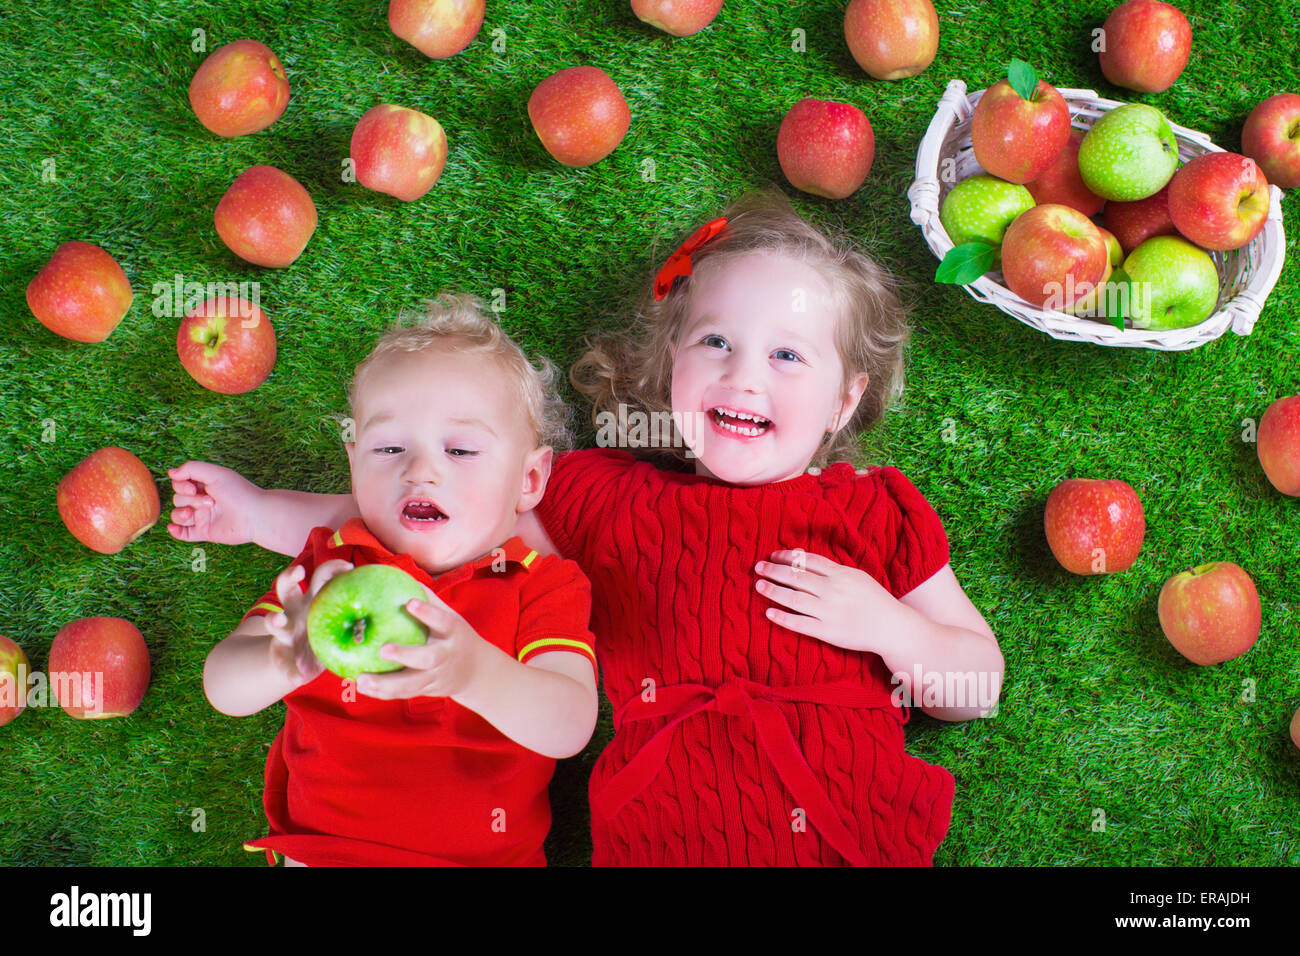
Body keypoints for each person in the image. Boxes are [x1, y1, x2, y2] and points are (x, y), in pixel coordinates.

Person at [173, 186, 1003, 866]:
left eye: (788, 356)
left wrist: (889, 626)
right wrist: (257, 515)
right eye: (715, 341)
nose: (744, 376)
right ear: (672, 360)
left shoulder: (874, 507)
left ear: (846, 399)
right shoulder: (605, 499)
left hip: (847, 828)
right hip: (662, 832)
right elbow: (439, 507)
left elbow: (977, 686)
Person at [200, 293, 598, 866]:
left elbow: (569, 724)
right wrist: (278, 659)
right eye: (389, 447)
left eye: (460, 449)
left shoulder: (540, 584)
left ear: (529, 479)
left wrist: (472, 673)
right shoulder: (332, 566)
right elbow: (222, 687)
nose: (420, 470)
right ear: (353, 458)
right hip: (327, 856)